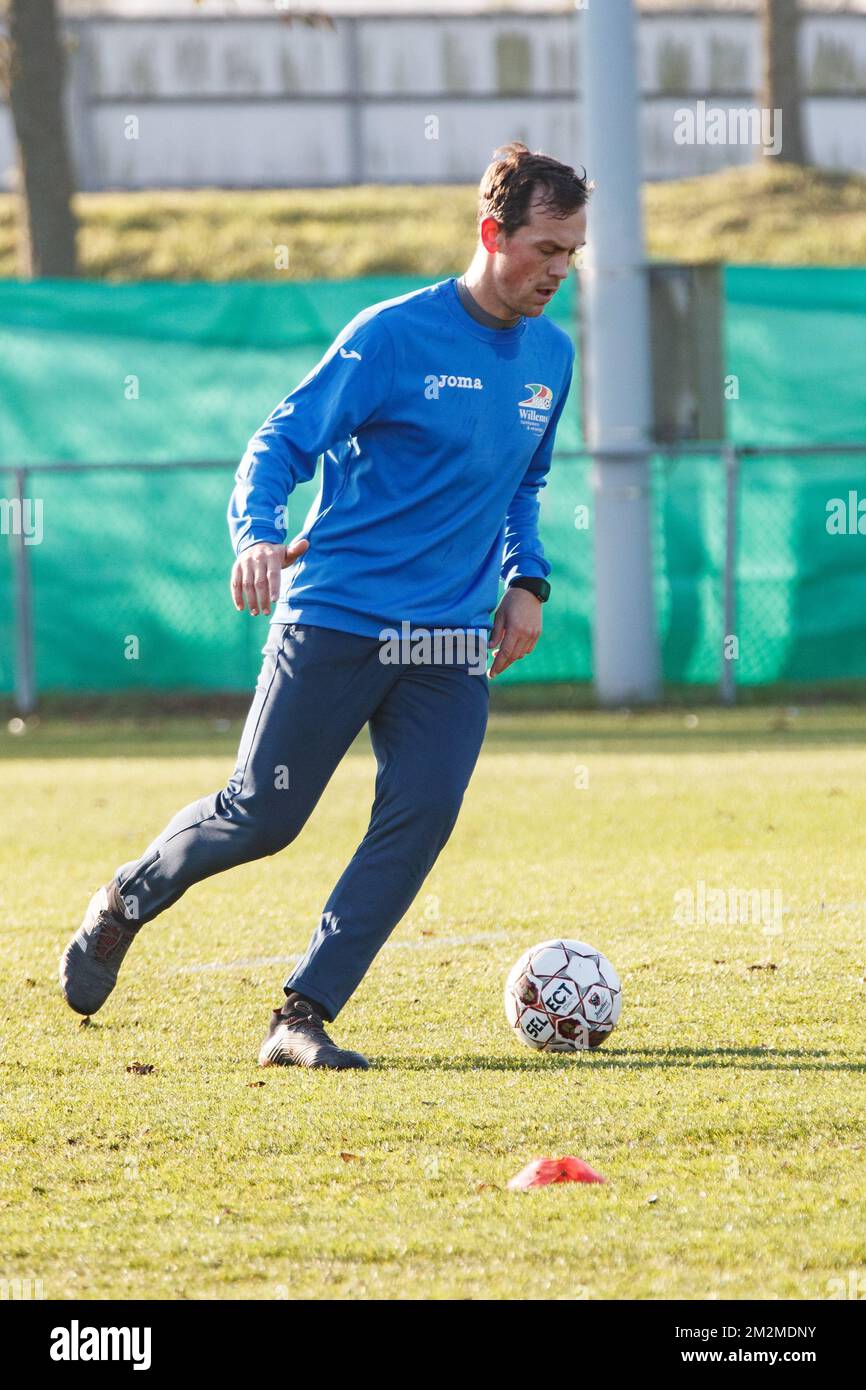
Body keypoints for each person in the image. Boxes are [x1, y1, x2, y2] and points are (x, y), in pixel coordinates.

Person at [59, 141, 590, 1070]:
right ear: (491, 231)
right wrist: (257, 532)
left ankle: (301, 1015)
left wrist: (527, 581)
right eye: (545, 249)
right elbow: (282, 439)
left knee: (422, 812)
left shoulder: (552, 354)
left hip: (449, 639)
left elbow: (525, 486)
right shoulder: (390, 335)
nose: (558, 272)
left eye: (572, 254)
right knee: (261, 817)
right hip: (338, 617)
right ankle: (127, 900)